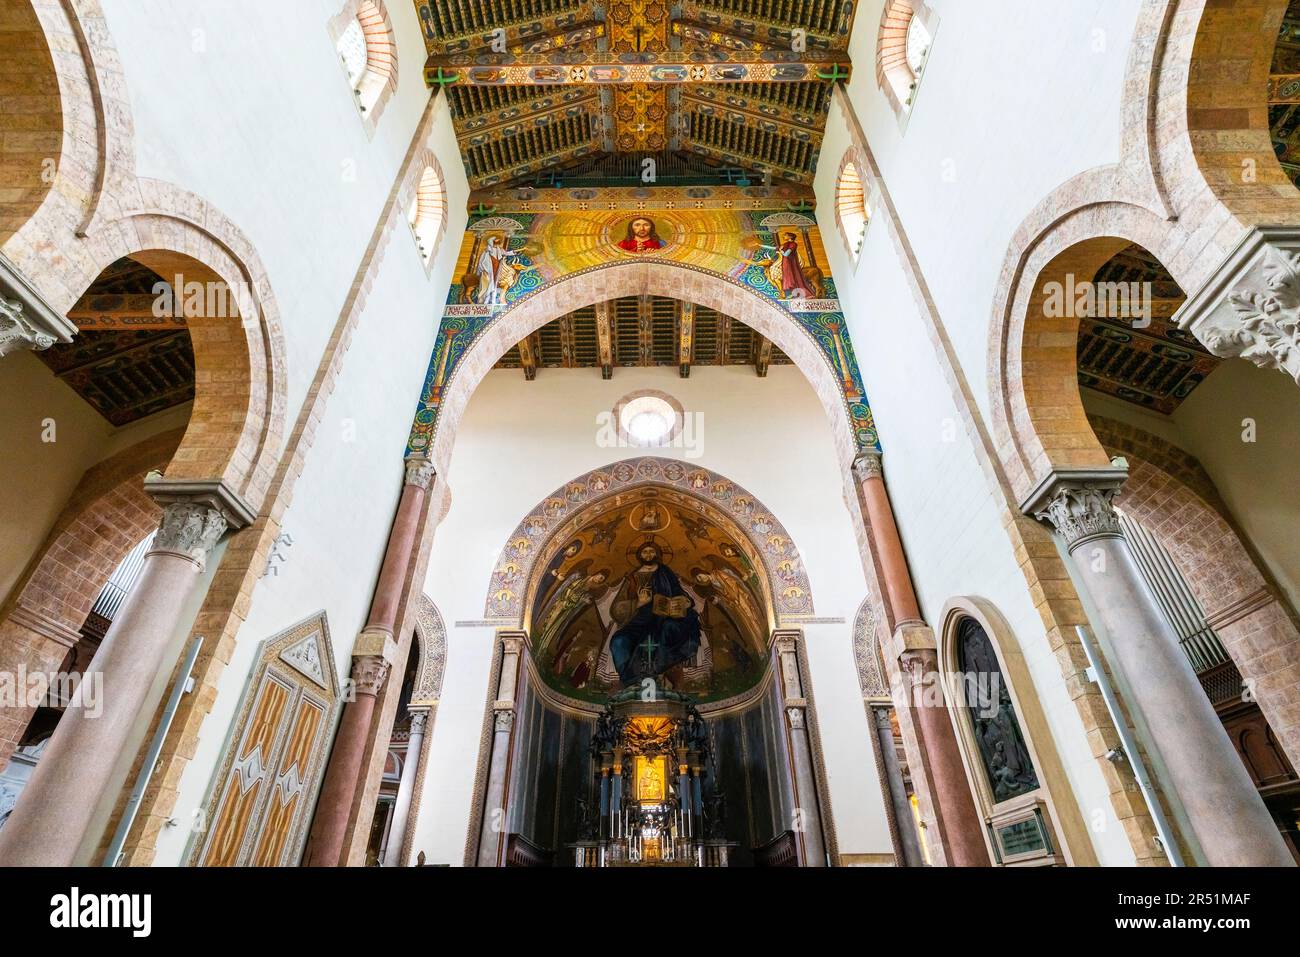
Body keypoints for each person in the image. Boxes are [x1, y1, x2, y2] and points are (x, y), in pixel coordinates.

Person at [608, 541, 701, 684]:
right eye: (645, 552)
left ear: (657, 554)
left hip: (664, 617)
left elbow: (678, 592)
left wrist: (686, 601)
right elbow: (616, 608)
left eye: (652, 551)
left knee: (665, 632)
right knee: (618, 641)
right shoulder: (633, 577)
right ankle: (629, 682)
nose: (648, 554)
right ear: (640, 555)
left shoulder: (665, 572)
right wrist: (639, 602)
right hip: (638, 620)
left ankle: (647, 679)